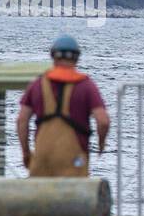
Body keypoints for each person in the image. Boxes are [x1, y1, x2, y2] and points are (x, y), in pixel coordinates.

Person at [17, 34, 109, 177]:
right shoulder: (86, 86)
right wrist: (101, 144)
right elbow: (103, 121)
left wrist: (26, 152)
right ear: (77, 58)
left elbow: (22, 120)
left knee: (42, 197)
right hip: (74, 160)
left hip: (43, 157)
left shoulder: (37, 85)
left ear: (53, 56)